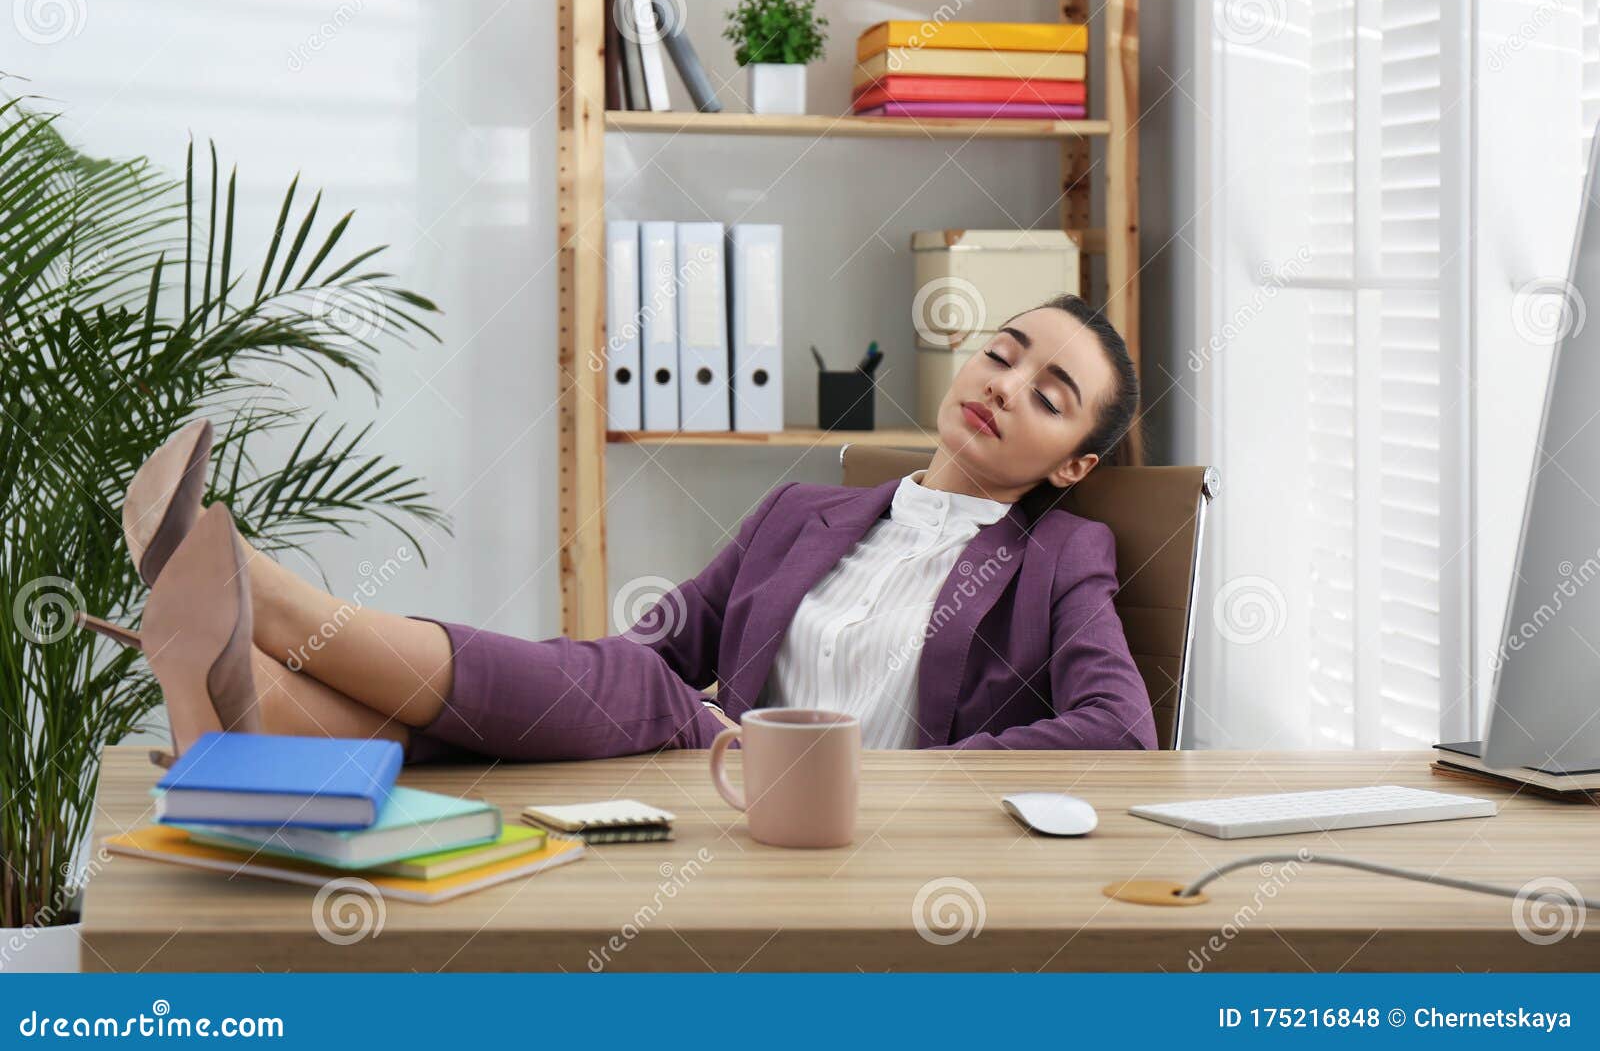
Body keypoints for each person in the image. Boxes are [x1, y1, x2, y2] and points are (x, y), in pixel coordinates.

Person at [81, 294, 1157, 766]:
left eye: (1051, 393)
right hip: (719, 785)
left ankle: (263, 601)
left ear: (1072, 463)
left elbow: (1118, 729)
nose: (1006, 384)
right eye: (1002, 352)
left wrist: (903, 775)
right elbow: (660, 648)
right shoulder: (802, 511)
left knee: (637, 698)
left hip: (823, 804)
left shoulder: (1064, 554)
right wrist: (566, 706)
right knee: (603, 691)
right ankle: (248, 700)